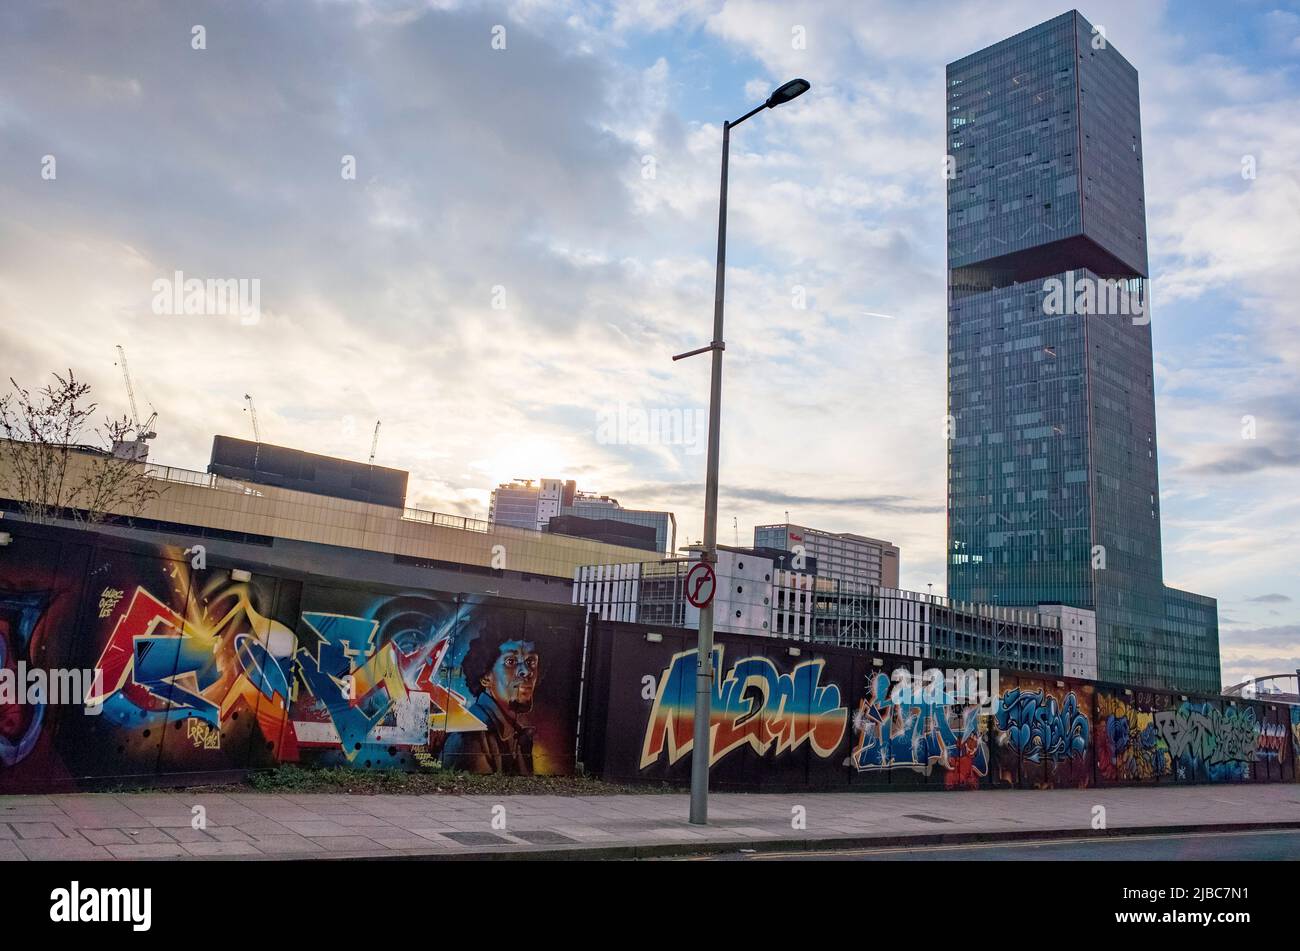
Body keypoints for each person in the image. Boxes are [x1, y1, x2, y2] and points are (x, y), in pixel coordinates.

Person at [441, 633, 540, 774]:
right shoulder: (470, 737)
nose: (526, 671)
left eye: (531, 662)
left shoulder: (516, 733)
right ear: (485, 678)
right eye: (511, 662)